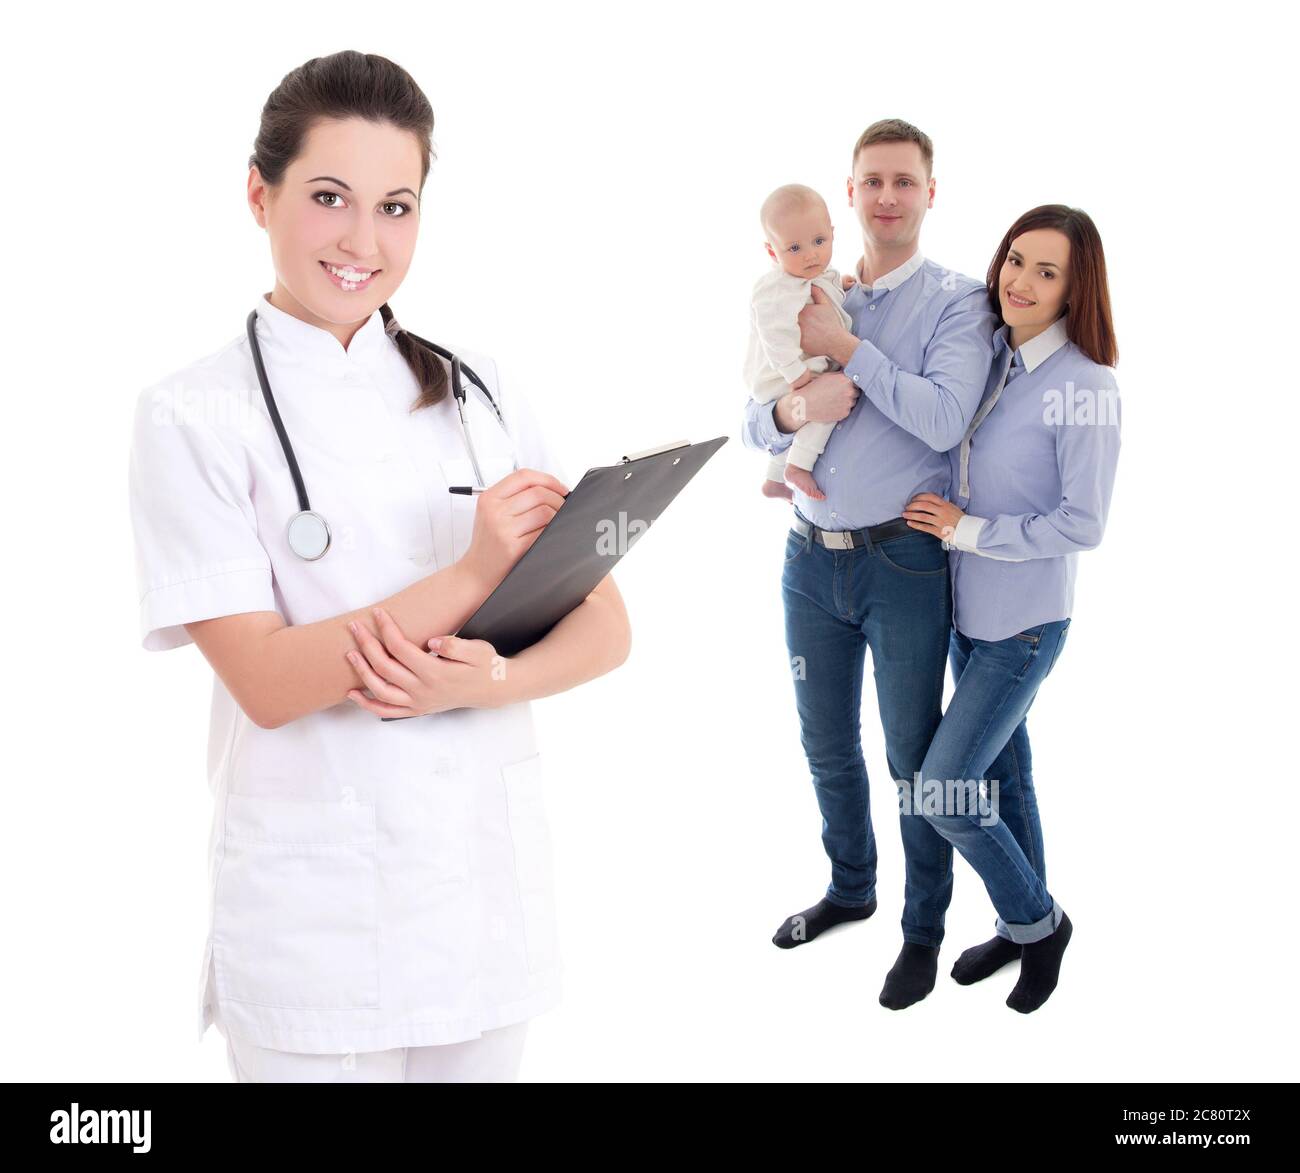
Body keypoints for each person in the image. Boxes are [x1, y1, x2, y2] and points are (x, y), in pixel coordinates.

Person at [127, 50, 630, 1082]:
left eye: (396, 206)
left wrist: (489, 678)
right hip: (314, 917)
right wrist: (469, 576)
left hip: (478, 894)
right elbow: (266, 684)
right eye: (328, 198)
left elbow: (606, 623)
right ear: (258, 194)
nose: (363, 242)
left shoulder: (483, 391)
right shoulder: (192, 413)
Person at [741, 118, 996, 1009]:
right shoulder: (801, 288)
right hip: (809, 557)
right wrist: (787, 415)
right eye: (872, 181)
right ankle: (851, 887)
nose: (887, 195)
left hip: (904, 564)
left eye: (905, 181)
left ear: (930, 194)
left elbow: (943, 419)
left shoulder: (959, 303)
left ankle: (922, 930)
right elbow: (750, 412)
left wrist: (850, 355)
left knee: (911, 755)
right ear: (849, 194)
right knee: (825, 744)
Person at [901, 204, 1121, 1013]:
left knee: (943, 789)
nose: (1021, 281)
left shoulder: (1086, 386)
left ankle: (1041, 921)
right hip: (966, 614)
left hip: (1024, 626)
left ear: (1076, 289)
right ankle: (1018, 921)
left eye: (1047, 271)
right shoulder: (994, 356)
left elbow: (1083, 523)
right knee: (1008, 781)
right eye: (1015, 260)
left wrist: (970, 529)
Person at [743, 184, 855, 501]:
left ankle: (775, 477)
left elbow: (826, 282)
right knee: (829, 404)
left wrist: (842, 283)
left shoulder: (812, 273)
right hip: (780, 375)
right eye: (794, 248)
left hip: (796, 371)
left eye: (819, 241)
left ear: (832, 233)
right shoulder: (775, 287)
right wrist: (797, 375)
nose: (810, 255)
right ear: (771, 252)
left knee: (825, 398)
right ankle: (797, 468)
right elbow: (774, 335)